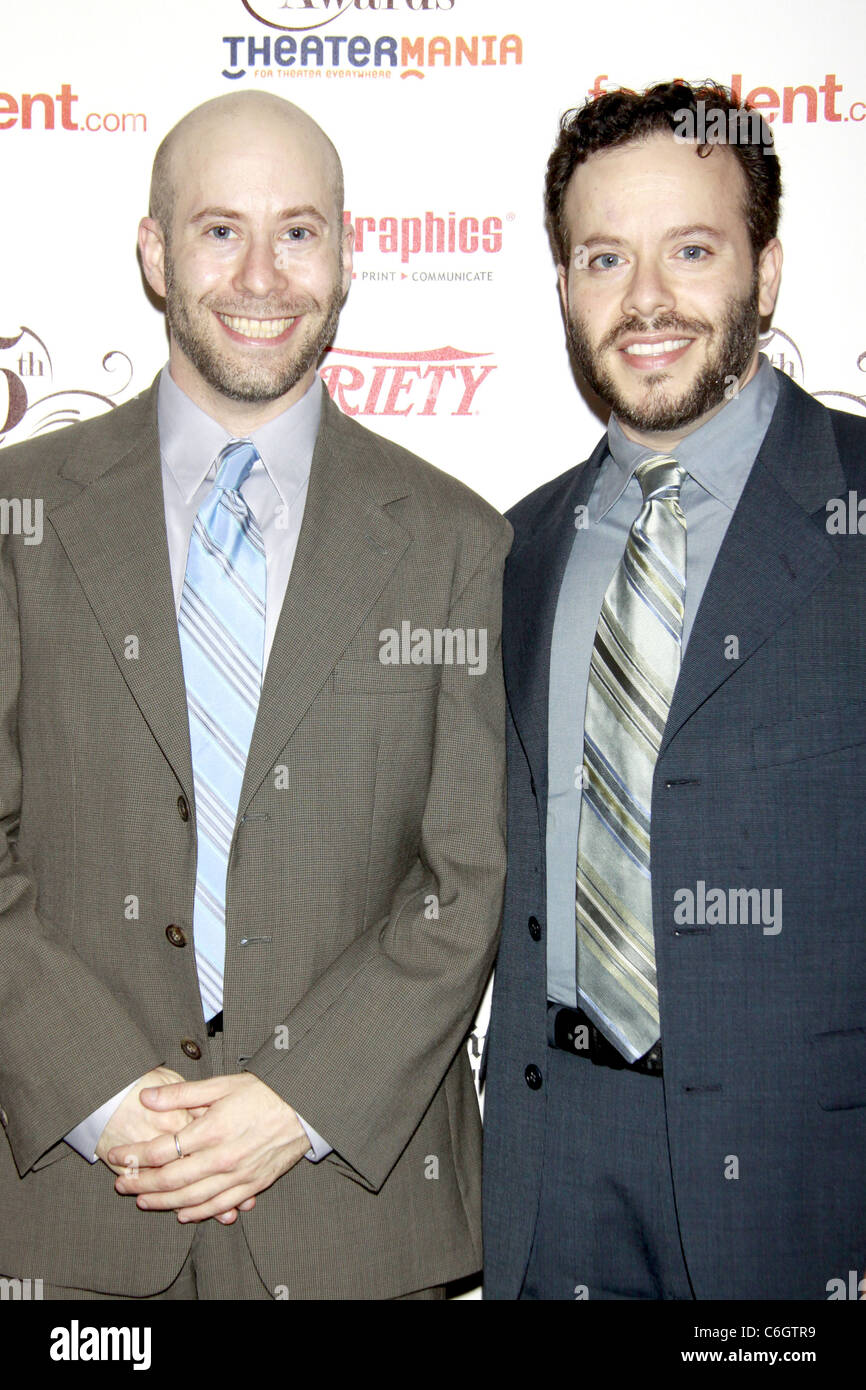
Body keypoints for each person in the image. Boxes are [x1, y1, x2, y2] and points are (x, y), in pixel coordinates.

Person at [0, 90, 511, 1300]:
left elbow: (470, 874)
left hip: (355, 1220)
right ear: (152, 251)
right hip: (70, 1214)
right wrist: (102, 1094)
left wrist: (303, 1099)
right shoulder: (16, 519)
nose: (262, 274)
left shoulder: (454, 540)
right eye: (220, 229)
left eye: (299, 231)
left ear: (345, 254)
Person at [482, 80, 866, 1301]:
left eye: (690, 250)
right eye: (603, 257)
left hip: (812, 1179)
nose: (643, 300)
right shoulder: (509, 549)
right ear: (561, 287)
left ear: (764, 271)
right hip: (555, 1176)